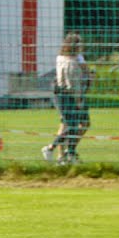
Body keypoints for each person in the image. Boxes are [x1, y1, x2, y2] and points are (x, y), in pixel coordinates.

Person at [43, 33, 93, 165]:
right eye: (79, 45)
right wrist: (78, 99)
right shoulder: (71, 62)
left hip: (72, 93)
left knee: (80, 124)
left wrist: (87, 74)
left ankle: (69, 152)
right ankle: (57, 152)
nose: (81, 47)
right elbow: (74, 80)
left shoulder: (66, 58)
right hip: (69, 95)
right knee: (69, 125)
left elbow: (84, 70)